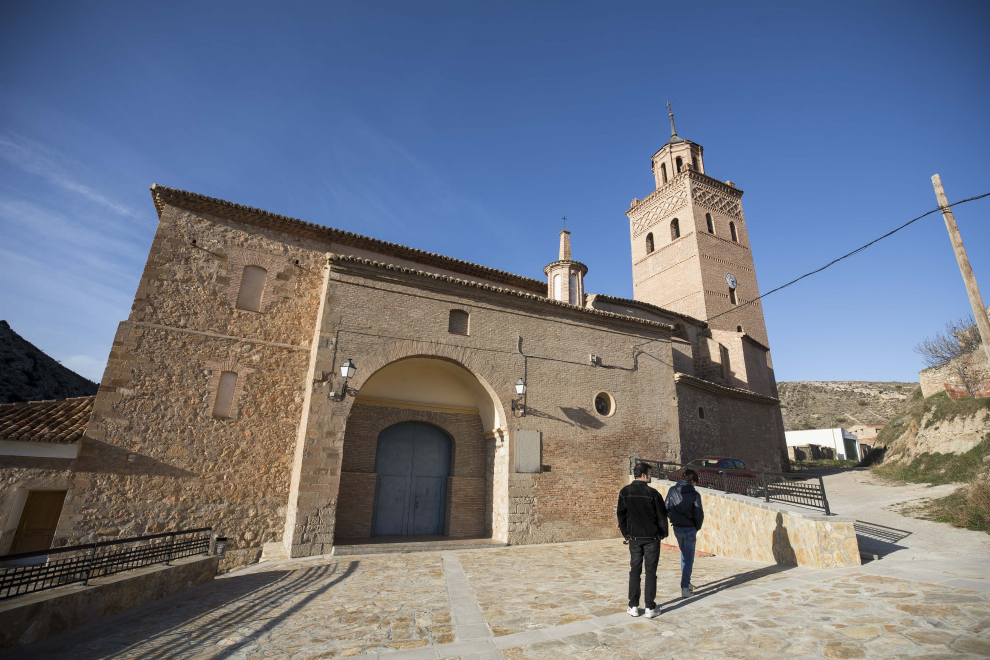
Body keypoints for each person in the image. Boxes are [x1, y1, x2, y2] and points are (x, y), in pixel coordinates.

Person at [616, 462, 668, 618]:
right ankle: (650, 608)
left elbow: (621, 515)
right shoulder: (653, 493)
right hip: (652, 538)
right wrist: (663, 533)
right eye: (650, 474)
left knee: (635, 571)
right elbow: (661, 515)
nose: (651, 477)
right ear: (644, 475)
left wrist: (626, 535)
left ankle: (633, 605)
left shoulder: (625, 492)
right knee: (651, 572)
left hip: (634, 537)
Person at [665, 468, 704, 598]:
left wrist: (673, 519)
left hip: (677, 527)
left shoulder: (672, 490)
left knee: (684, 555)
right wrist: (696, 527)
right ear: (692, 481)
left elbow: (666, 508)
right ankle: (685, 586)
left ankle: (687, 582)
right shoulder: (694, 494)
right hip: (689, 528)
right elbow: (699, 514)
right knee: (689, 557)